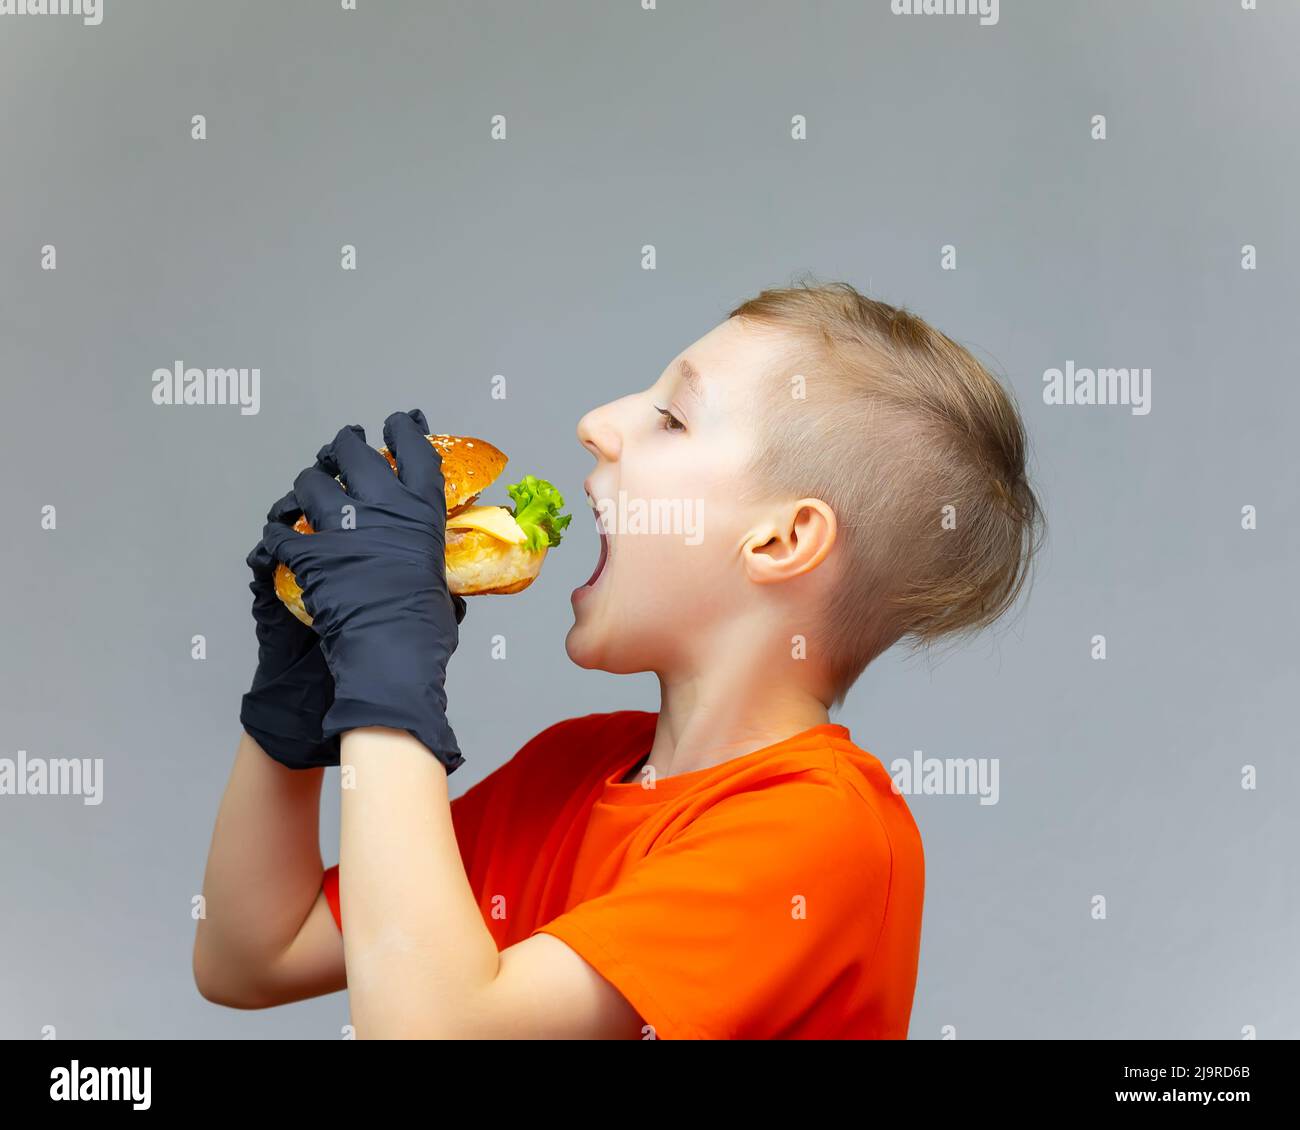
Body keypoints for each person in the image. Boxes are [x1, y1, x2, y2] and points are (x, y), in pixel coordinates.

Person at [191, 279, 1044, 1039]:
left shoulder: (822, 831)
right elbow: (251, 958)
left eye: (672, 418)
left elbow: (436, 1030)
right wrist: (301, 699)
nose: (598, 425)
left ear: (783, 539)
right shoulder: (571, 766)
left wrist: (384, 671)